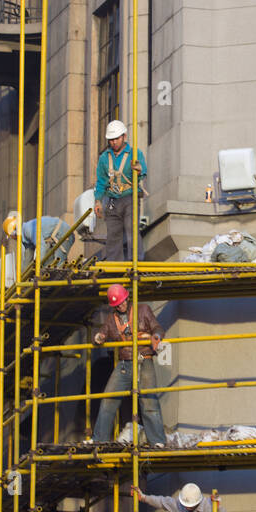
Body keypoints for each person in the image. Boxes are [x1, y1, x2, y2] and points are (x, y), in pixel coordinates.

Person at [85, 283, 166, 447]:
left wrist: (156, 336)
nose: (121, 305)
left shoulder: (142, 310)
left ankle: (157, 441)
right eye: (117, 304)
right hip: (125, 362)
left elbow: (157, 327)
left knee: (148, 400)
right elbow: (102, 333)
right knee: (108, 398)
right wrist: (99, 337)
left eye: (122, 301)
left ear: (127, 297)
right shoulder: (111, 319)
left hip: (144, 357)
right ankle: (99, 439)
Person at [94, 119, 147, 261]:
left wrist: (139, 169)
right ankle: (114, 265)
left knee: (131, 230)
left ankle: (135, 262)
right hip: (111, 199)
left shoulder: (134, 154)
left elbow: (143, 172)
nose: (114, 142)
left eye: (116, 139)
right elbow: (101, 182)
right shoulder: (105, 158)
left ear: (124, 136)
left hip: (129, 197)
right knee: (113, 233)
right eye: (111, 140)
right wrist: (98, 201)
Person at [3, 211, 74, 268]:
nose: (12, 239)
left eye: (11, 236)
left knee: (58, 265)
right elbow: (28, 257)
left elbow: (41, 247)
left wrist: (37, 267)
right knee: (47, 265)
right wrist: (22, 275)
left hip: (63, 233)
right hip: (55, 238)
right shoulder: (25, 238)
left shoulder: (28, 230)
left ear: (14, 233)